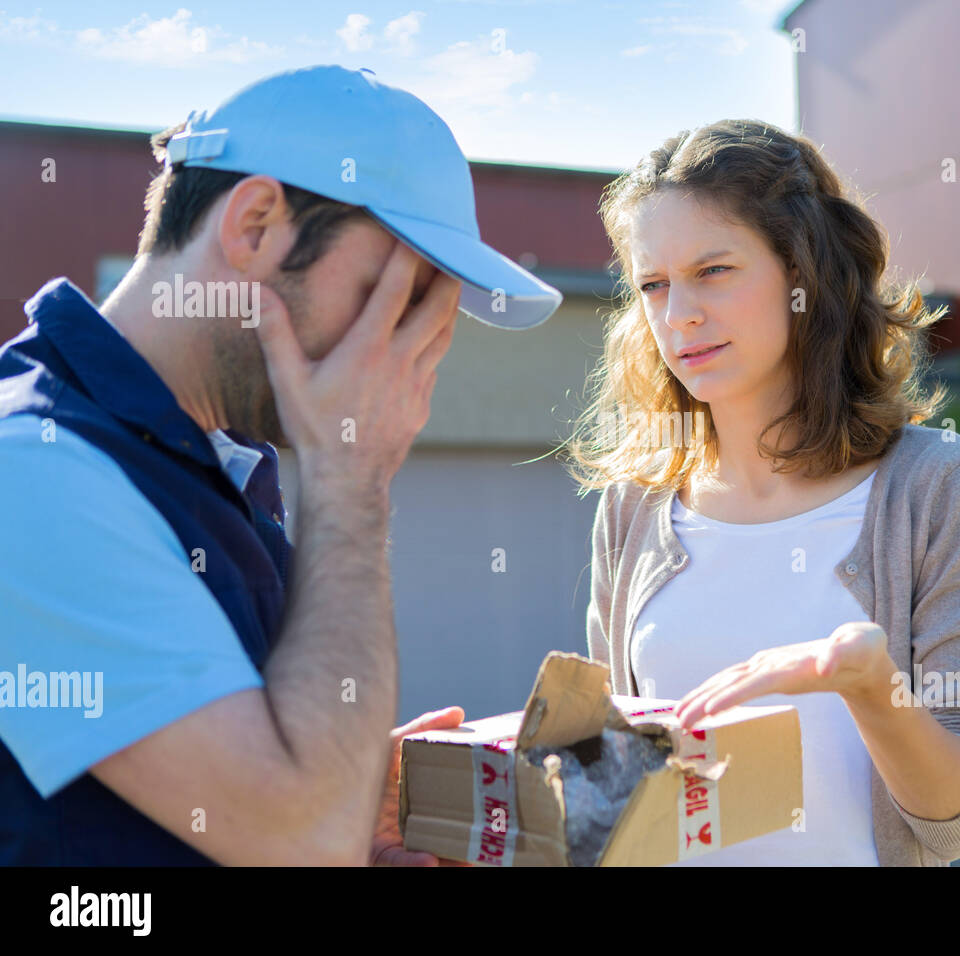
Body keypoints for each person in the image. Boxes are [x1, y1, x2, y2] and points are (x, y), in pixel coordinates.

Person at [0, 65, 562, 865]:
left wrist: (345, 790)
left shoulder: (217, 468)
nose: (408, 358)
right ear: (256, 225)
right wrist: (352, 476)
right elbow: (296, 840)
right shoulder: (34, 469)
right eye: (390, 297)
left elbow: (274, 824)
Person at [565, 119, 960, 866]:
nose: (678, 315)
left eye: (714, 270)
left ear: (803, 274)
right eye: (654, 284)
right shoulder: (634, 507)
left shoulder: (939, 487)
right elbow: (619, 789)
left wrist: (874, 691)